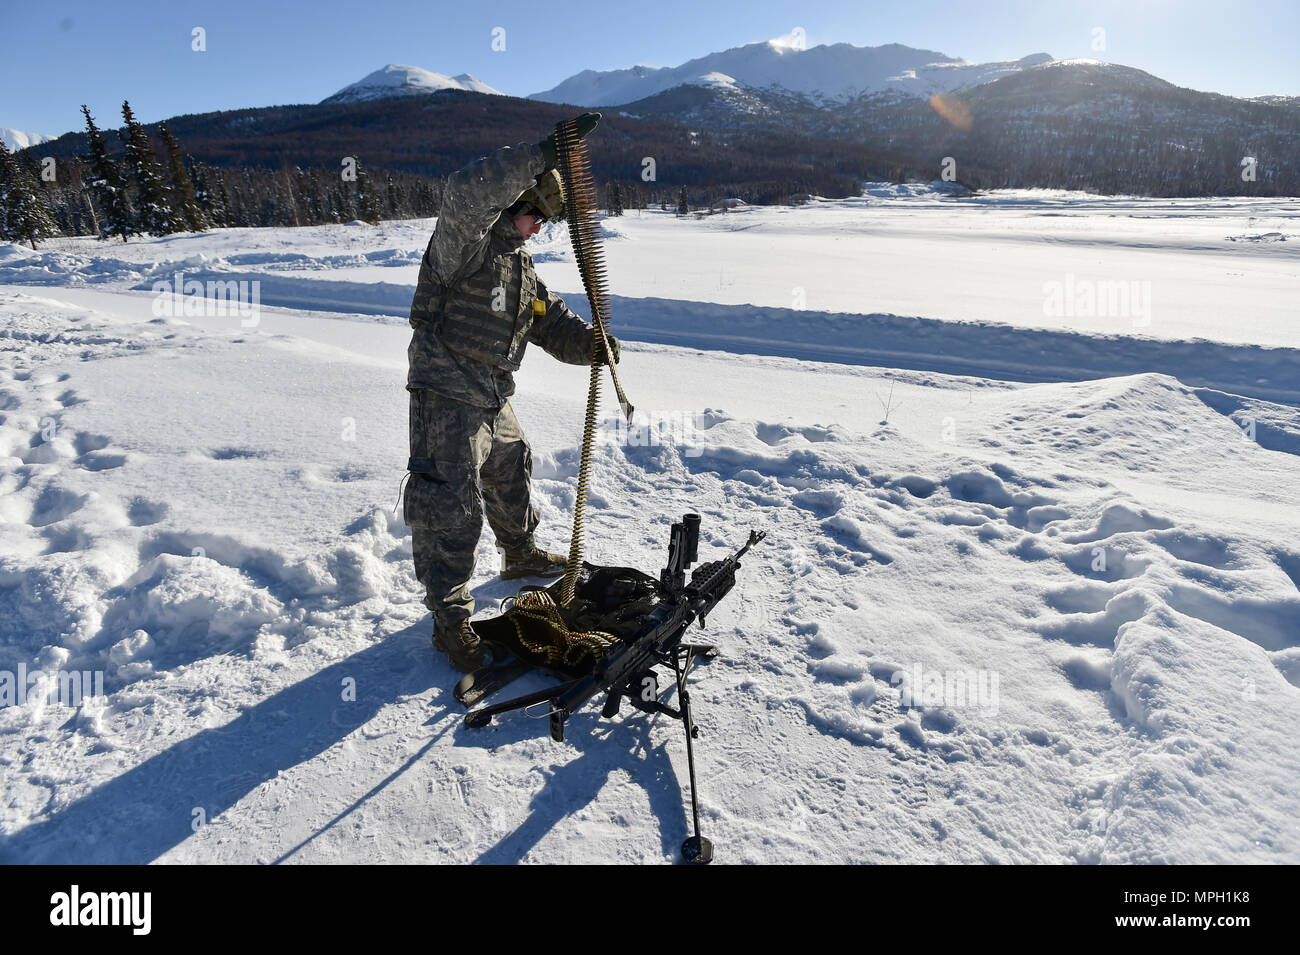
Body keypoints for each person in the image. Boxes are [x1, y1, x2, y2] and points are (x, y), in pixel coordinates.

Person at [404, 111, 621, 673]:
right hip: (447, 393)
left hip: (491, 394)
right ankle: (450, 622)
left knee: (510, 465)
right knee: (450, 505)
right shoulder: (465, 246)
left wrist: (593, 346)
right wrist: (544, 153)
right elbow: (464, 191)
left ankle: (519, 553)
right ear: (512, 206)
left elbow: (550, 323)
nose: (539, 229)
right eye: (535, 217)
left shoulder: (521, 269)